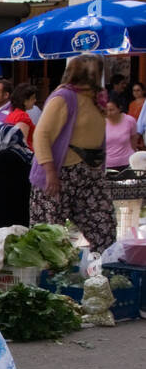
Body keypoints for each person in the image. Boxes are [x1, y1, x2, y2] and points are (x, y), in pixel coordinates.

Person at [31, 54, 116, 253]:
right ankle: (49, 280)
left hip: (90, 173)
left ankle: (102, 271)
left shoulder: (96, 100)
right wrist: (50, 172)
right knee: (51, 236)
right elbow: (41, 134)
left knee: (103, 225)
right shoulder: (63, 97)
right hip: (61, 173)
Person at [104, 95, 143, 169]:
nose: (108, 113)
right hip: (107, 164)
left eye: (112, 110)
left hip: (126, 163)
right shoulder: (101, 122)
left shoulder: (130, 121)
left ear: (119, 109)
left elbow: (134, 142)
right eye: (106, 110)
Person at [4, 83, 40, 148]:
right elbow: (22, 144)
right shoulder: (22, 117)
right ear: (24, 101)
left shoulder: (12, 114)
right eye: (32, 98)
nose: (35, 100)